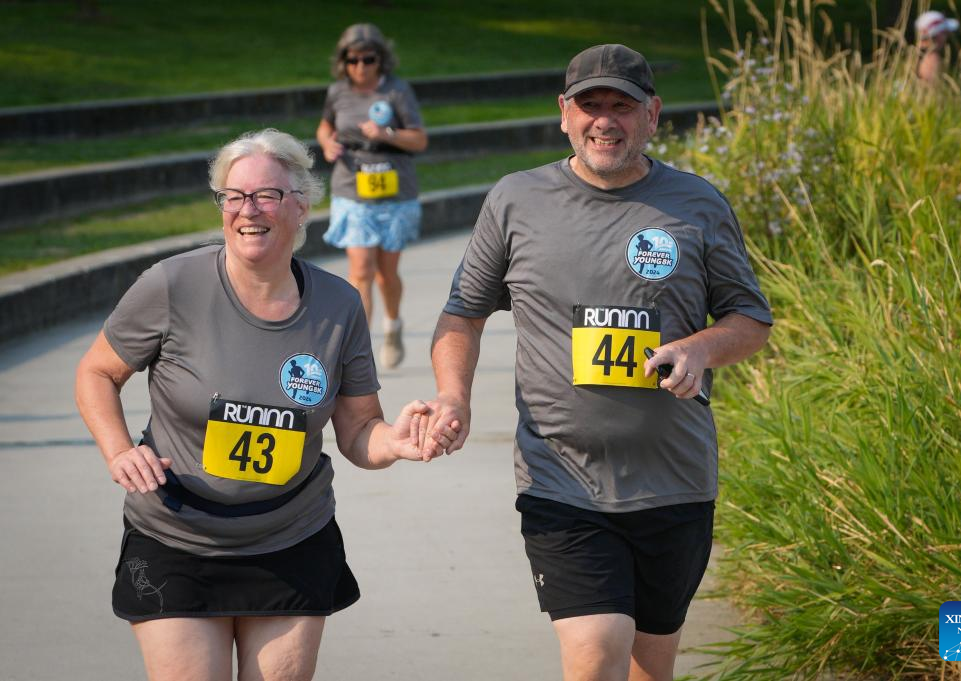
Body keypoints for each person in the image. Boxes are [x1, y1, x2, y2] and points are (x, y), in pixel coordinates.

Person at [425, 45, 773, 681]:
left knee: (651, 665)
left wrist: (698, 348)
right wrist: (454, 396)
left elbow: (750, 321)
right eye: (590, 106)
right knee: (595, 656)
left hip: (674, 481)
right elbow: (462, 315)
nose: (605, 121)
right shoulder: (516, 200)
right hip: (563, 482)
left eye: (623, 106)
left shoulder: (696, 204)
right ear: (564, 114)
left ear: (653, 115)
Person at [75, 129, 455, 681]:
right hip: (176, 537)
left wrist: (393, 441)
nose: (247, 210)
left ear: (302, 205)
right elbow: (96, 372)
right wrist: (116, 450)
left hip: (290, 537)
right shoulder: (172, 284)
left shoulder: (339, 304)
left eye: (266, 195)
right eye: (234, 196)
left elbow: (358, 430)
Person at [317, 23, 428, 369]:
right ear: (343, 62)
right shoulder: (338, 92)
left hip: (394, 192)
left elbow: (419, 140)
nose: (361, 66)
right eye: (353, 60)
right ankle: (357, 351)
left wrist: (387, 133)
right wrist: (326, 142)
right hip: (352, 188)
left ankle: (393, 325)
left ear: (381, 60)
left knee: (385, 273)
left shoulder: (397, 91)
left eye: (369, 59)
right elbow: (325, 125)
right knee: (361, 270)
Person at [915, 10, 960, 84]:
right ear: (937, 35)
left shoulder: (916, 53)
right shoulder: (932, 59)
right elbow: (931, 92)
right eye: (945, 33)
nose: (947, 36)